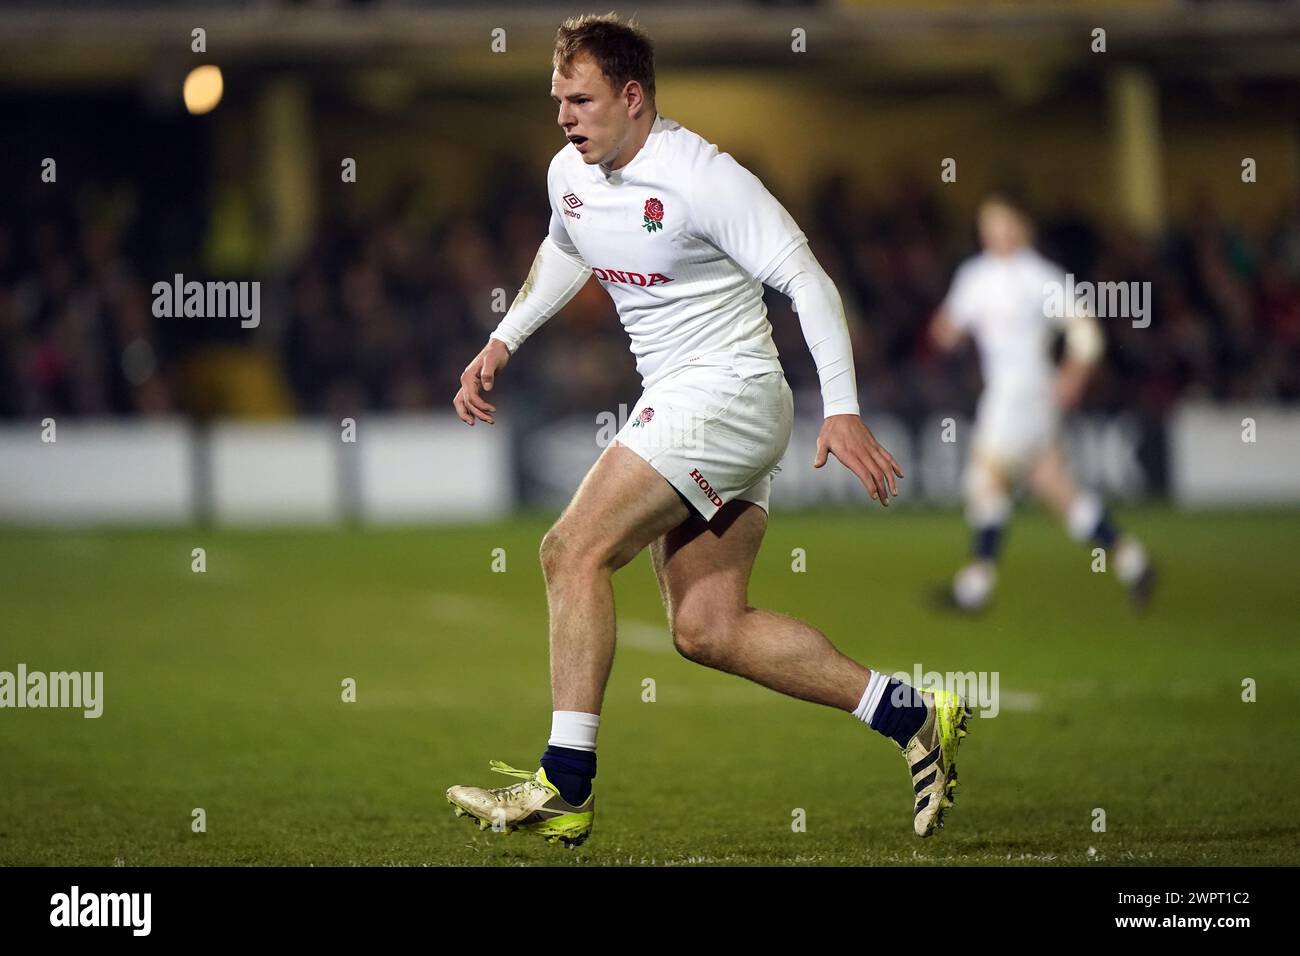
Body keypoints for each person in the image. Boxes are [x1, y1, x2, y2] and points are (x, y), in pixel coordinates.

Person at [446, 13, 968, 848]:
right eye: (557, 100)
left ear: (632, 95)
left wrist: (843, 406)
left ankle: (564, 784)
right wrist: (502, 341)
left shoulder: (702, 176)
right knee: (706, 629)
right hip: (701, 405)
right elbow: (564, 248)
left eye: (580, 100)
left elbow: (807, 278)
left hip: (726, 394)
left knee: (569, 549)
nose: (564, 117)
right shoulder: (569, 173)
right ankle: (912, 713)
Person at [930, 194, 1156, 612]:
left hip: (1024, 392)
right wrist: (946, 330)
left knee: (984, 478)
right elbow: (946, 329)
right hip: (1010, 393)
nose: (995, 231)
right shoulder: (976, 275)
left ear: (1020, 225)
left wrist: (1072, 376)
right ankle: (1132, 561)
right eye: (988, 224)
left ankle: (975, 587)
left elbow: (1086, 332)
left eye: (1002, 222)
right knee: (1052, 486)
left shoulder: (1039, 277)